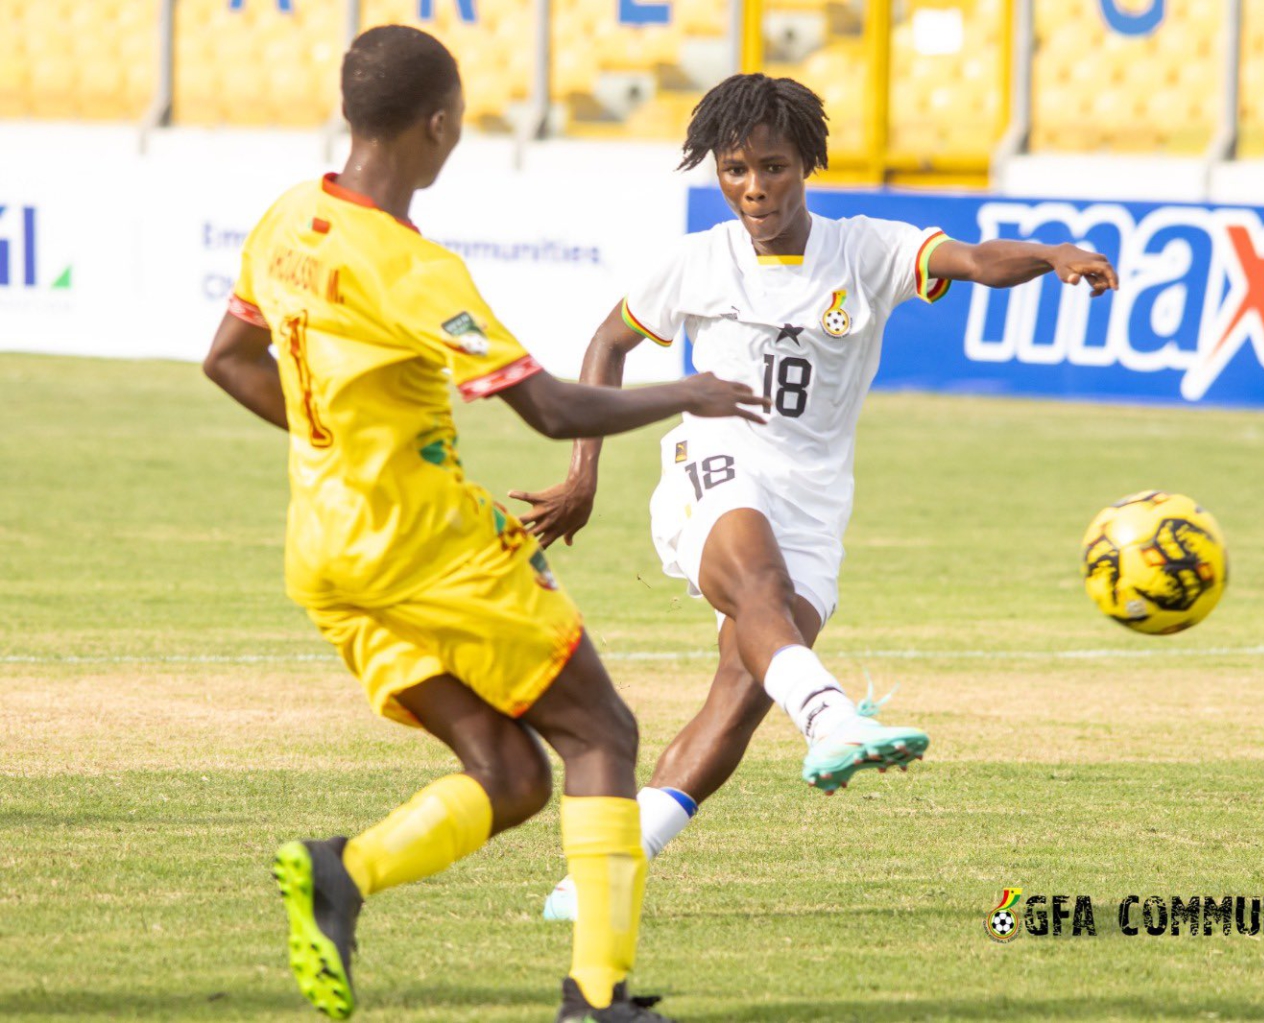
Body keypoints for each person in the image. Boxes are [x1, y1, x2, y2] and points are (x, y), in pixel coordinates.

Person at [202, 26, 768, 1022]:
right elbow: (549, 408)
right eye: (459, 118)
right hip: (427, 550)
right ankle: (598, 997)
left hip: (325, 556)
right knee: (601, 731)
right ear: (438, 124)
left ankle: (343, 873)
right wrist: (691, 390)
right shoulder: (413, 268)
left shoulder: (288, 220)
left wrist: (343, 447)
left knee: (510, 775)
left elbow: (228, 361)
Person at [517, 74, 1119, 922]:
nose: (753, 188)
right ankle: (833, 718)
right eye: (734, 170)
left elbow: (977, 261)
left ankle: (606, 868)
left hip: (813, 499)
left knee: (742, 688)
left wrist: (1052, 255)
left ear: (806, 163)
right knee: (759, 588)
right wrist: (585, 473)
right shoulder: (699, 261)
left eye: (772, 168)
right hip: (713, 460)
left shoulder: (866, 250)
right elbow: (608, 343)